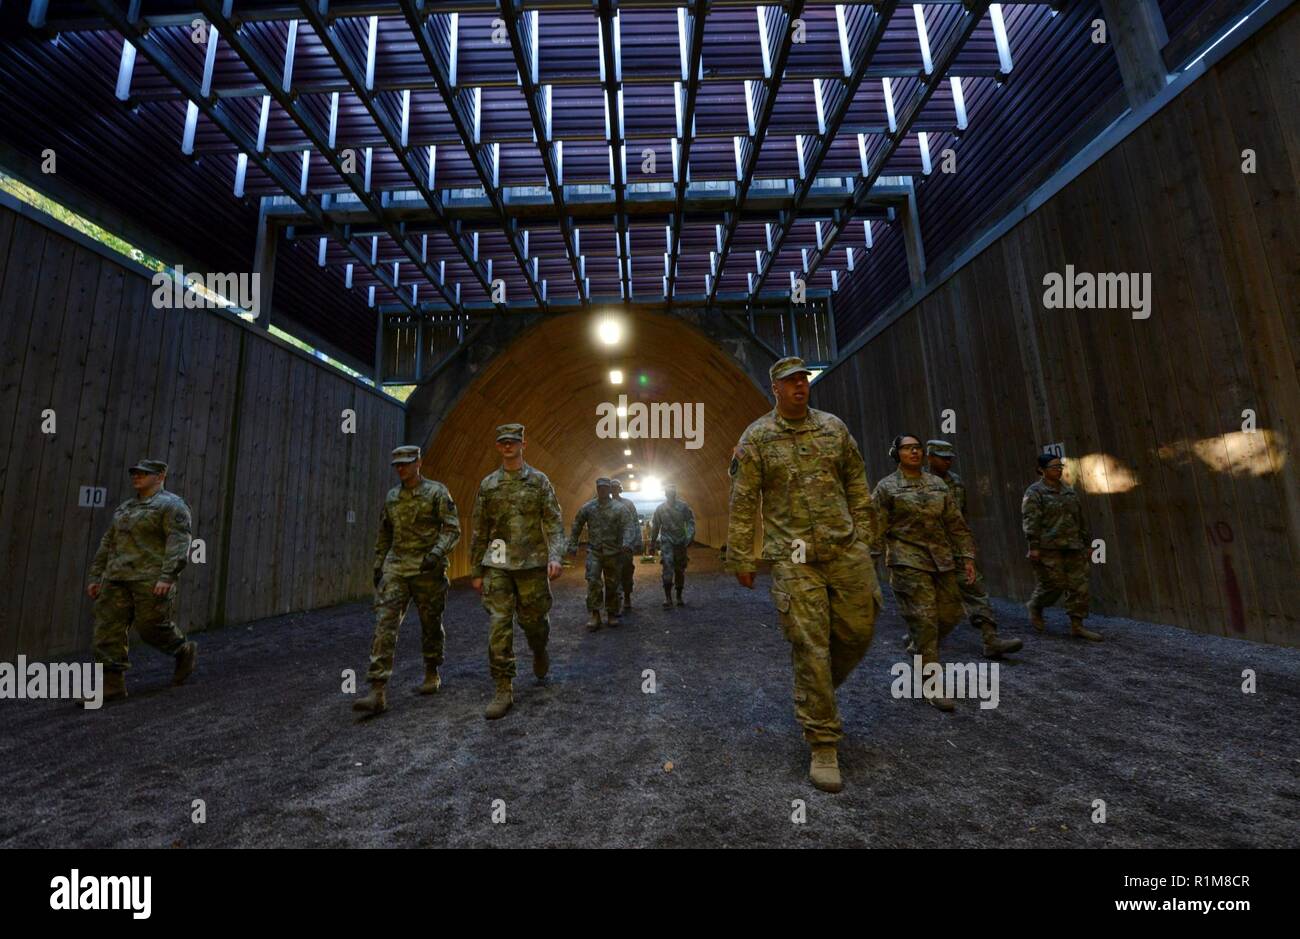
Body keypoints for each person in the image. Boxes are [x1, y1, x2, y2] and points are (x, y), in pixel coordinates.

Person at [726, 356, 883, 793]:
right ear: (774, 388)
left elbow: (856, 481)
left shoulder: (834, 428)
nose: (799, 386)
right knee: (811, 644)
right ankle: (823, 743)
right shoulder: (757, 437)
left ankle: (815, 690)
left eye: (803, 380)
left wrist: (865, 535)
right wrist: (742, 556)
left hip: (844, 548)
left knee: (858, 629)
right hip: (793, 558)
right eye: (789, 382)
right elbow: (743, 500)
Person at [352, 445, 461, 716]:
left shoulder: (437, 492)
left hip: (427, 569)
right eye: (397, 465)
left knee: (430, 623)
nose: (401, 468)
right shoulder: (392, 498)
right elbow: (384, 533)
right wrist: (379, 564)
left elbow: (452, 529)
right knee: (384, 623)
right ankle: (377, 690)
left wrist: (436, 554)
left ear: (418, 463)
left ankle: (431, 670)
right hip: (397, 567)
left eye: (406, 463)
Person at [872, 435, 977, 712]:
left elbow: (955, 523)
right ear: (897, 453)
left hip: (941, 560)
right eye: (908, 448)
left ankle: (918, 644)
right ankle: (932, 686)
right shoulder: (886, 487)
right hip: (907, 561)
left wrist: (966, 556)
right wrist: (866, 564)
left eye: (917, 447)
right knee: (926, 621)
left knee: (952, 614)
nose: (915, 452)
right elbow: (875, 529)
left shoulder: (938, 484)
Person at [468, 423, 566, 719]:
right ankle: (503, 687)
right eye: (503, 442)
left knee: (534, 623)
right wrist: (476, 569)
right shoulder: (488, 485)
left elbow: (553, 522)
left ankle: (539, 650)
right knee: (499, 625)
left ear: (524, 443)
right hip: (497, 564)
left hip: (531, 564)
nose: (508, 446)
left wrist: (556, 555)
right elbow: (480, 529)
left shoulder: (538, 481)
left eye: (513, 441)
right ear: (498, 447)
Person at [85, 459, 197, 704]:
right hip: (115, 578)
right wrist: (96, 575)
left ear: (160, 476)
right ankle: (112, 684)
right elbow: (108, 542)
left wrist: (168, 576)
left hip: (149, 578)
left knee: (151, 627)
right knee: (107, 630)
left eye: (143, 474)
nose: (137, 477)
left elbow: (178, 543)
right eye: (135, 473)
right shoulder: (124, 508)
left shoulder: (172, 506)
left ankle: (182, 650)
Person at [924, 440, 1022, 659]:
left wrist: (967, 550)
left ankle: (991, 639)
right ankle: (919, 639)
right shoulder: (916, 482)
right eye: (942, 457)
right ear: (930, 457)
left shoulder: (956, 482)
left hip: (955, 549)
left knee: (976, 589)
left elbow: (962, 518)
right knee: (930, 600)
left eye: (950, 457)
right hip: (924, 552)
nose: (948, 461)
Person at [1022, 453, 1102, 641]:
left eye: (1060, 467)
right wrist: (1033, 546)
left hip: (1074, 546)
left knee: (1079, 586)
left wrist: (1088, 543)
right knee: (1054, 584)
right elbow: (1031, 520)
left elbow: (1080, 519)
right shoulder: (1034, 492)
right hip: (1048, 547)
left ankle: (1077, 625)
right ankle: (1036, 605)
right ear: (1041, 470)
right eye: (1053, 467)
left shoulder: (1069, 491)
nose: (1058, 470)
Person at [568, 478, 636, 631]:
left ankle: (611, 613)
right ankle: (595, 614)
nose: (603, 490)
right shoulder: (588, 507)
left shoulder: (619, 508)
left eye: (605, 488)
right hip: (595, 552)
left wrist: (627, 543)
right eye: (600, 488)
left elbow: (628, 526)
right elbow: (577, 524)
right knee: (593, 581)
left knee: (612, 583)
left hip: (614, 552)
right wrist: (572, 545)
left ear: (609, 490)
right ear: (597, 489)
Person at [651, 484, 696, 609]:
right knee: (667, 567)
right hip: (667, 542)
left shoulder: (683, 507)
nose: (671, 494)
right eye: (668, 492)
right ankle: (668, 597)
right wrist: (652, 543)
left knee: (680, 569)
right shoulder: (660, 509)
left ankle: (679, 596)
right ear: (665, 494)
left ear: (675, 493)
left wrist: (690, 536)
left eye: (673, 492)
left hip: (680, 541)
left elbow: (690, 522)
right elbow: (655, 526)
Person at [609, 479, 642, 610]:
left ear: (620, 489)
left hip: (626, 545)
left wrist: (637, 541)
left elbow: (635, 523)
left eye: (616, 487)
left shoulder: (628, 504)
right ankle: (617, 599)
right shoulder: (606, 504)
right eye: (612, 487)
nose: (614, 490)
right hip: (611, 545)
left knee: (627, 571)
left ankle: (627, 596)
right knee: (612, 573)